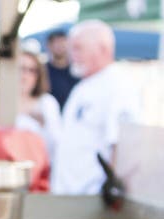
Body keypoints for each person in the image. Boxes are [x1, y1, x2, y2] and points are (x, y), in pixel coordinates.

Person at [51, 20, 138, 195]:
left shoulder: (118, 85)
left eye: (78, 48)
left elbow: (122, 144)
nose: (72, 55)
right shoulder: (83, 85)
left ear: (103, 49)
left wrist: (112, 188)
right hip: (68, 195)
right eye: (71, 49)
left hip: (92, 198)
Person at [15, 50, 61, 163]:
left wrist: (43, 123)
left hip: (38, 167)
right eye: (21, 69)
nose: (24, 75)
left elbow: (57, 144)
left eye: (31, 70)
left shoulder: (47, 103)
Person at [45, 30, 79, 110]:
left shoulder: (78, 69)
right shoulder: (43, 71)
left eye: (62, 42)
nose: (59, 46)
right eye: (56, 43)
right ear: (49, 46)